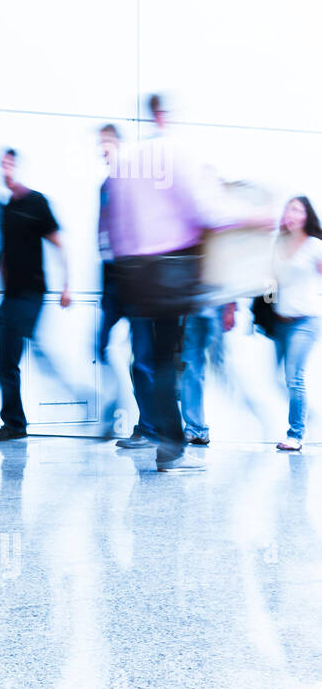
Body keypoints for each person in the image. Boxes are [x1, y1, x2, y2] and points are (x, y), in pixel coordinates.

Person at [103, 94, 266, 473]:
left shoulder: (126, 163)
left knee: (154, 361)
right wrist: (258, 217)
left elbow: (113, 229)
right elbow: (209, 213)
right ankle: (173, 448)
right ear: (166, 115)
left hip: (136, 275)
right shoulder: (180, 154)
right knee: (169, 362)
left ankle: (169, 442)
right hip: (172, 273)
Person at [0, 149, 70, 442]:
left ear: (18, 167)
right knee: (5, 361)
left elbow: (59, 243)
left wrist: (67, 285)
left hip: (32, 293)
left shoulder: (36, 202)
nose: (6, 169)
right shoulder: (3, 209)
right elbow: (1, 256)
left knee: (15, 353)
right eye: (2, 164)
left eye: (10, 163)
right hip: (10, 296)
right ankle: (15, 424)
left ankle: (20, 419)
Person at [96, 124, 157, 446]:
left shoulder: (134, 182)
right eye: (100, 144)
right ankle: (124, 415)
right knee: (100, 346)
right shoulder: (105, 185)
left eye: (107, 143)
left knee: (143, 357)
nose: (103, 149)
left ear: (119, 145)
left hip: (137, 278)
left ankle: (149, 427)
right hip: (112, 277)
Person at [269, 195, 322, 452]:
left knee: (294, 377)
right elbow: (271, 281)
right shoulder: (278, 244)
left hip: (306, 320)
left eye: (296, 210)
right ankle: (305, 412)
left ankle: (295, 435)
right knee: (279, 377)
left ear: (306, 216)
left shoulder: (314, 245)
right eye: (287, 210)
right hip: (281, 321)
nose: (290, 214)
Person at [178, 301, 235, 446]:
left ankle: (196, 429)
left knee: (219, 366)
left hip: (217, 306)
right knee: (192, 368)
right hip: (195, 307)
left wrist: (230, 306)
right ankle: (196, 429)